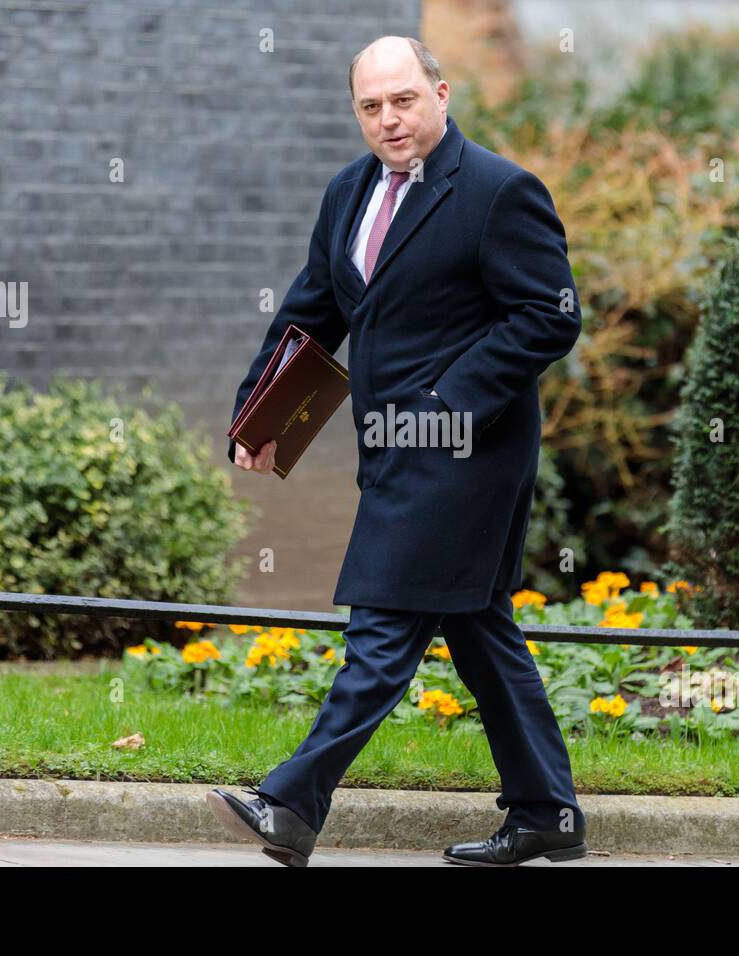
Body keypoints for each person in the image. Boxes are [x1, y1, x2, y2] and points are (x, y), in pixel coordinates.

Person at [206, 35, 586, 867]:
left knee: (380, 626)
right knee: (479, 629)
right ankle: (548, 814)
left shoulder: (498, 191)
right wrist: (261, 417)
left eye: (404, 100)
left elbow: (550, 316)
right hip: (388, 451)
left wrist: (448, 401)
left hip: (466, 455)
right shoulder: (348, 192)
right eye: (371, 106)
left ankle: (292, 804)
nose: (390, 119)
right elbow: (313, 311)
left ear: (441, 95)